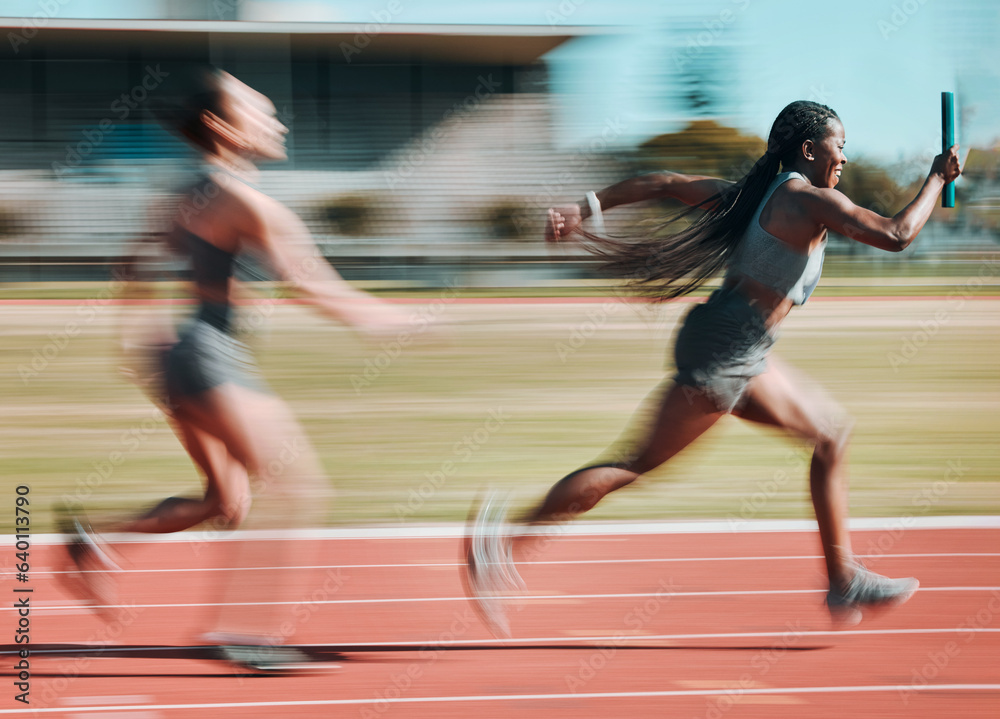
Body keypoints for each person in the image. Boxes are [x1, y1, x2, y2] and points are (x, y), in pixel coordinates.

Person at [466, 100, 963, 637]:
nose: (845, 154)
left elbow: (663, 183)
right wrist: (937, 176)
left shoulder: (754, 196)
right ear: (809, 149)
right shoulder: (809, 201)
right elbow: (895, 234)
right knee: (633, 464)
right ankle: (502, 540)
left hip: (739, 350)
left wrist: (584, 207)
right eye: (839, 144)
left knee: (830, 436)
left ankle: (842, 580)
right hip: (727, 355)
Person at [61, 67, 410, 669]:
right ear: (223, 128)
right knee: (298, 486)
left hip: (177, 357)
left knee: (225, 500)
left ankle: (93, 540)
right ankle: (246, 635)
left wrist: (135, 339)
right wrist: (399, 322)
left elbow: (133, 261)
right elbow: (317, 290)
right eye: (261, 112)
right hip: (209, 358)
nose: (276, 122)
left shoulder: (188, 191)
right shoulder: (249, 203)